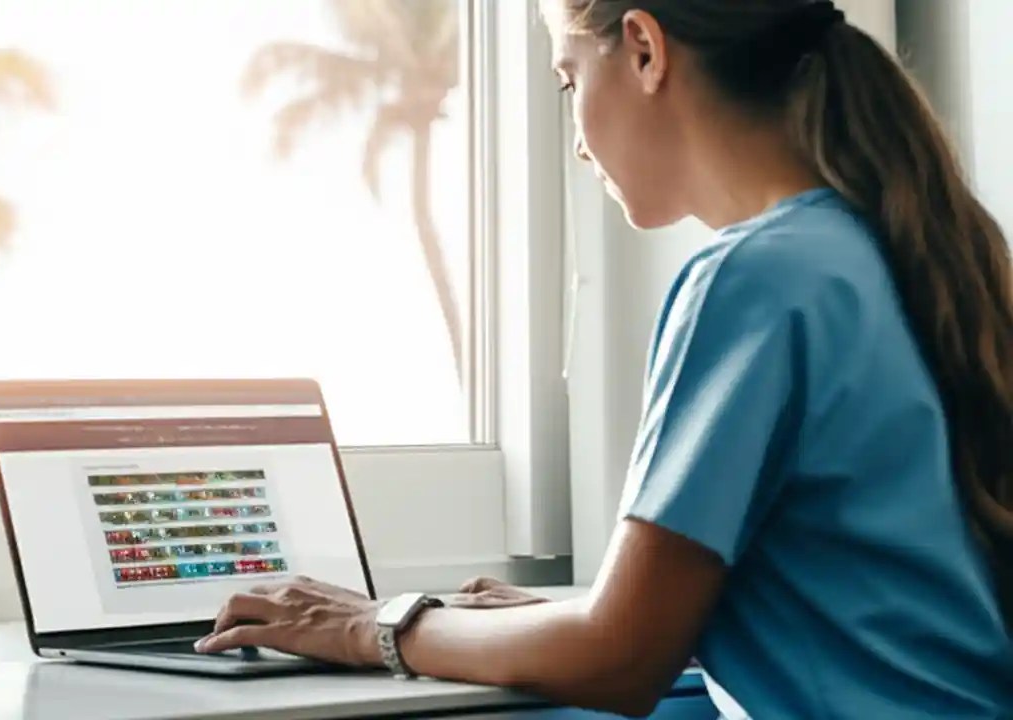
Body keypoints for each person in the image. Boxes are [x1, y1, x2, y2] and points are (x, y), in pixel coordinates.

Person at [196, 1, 1013, 716]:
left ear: (646, 49)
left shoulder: (757, 278)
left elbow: (620, 659)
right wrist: (570, 617)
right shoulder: (894, 253)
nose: (578, 141)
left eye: (566, 79)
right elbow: (858, 599)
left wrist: (370, 626)